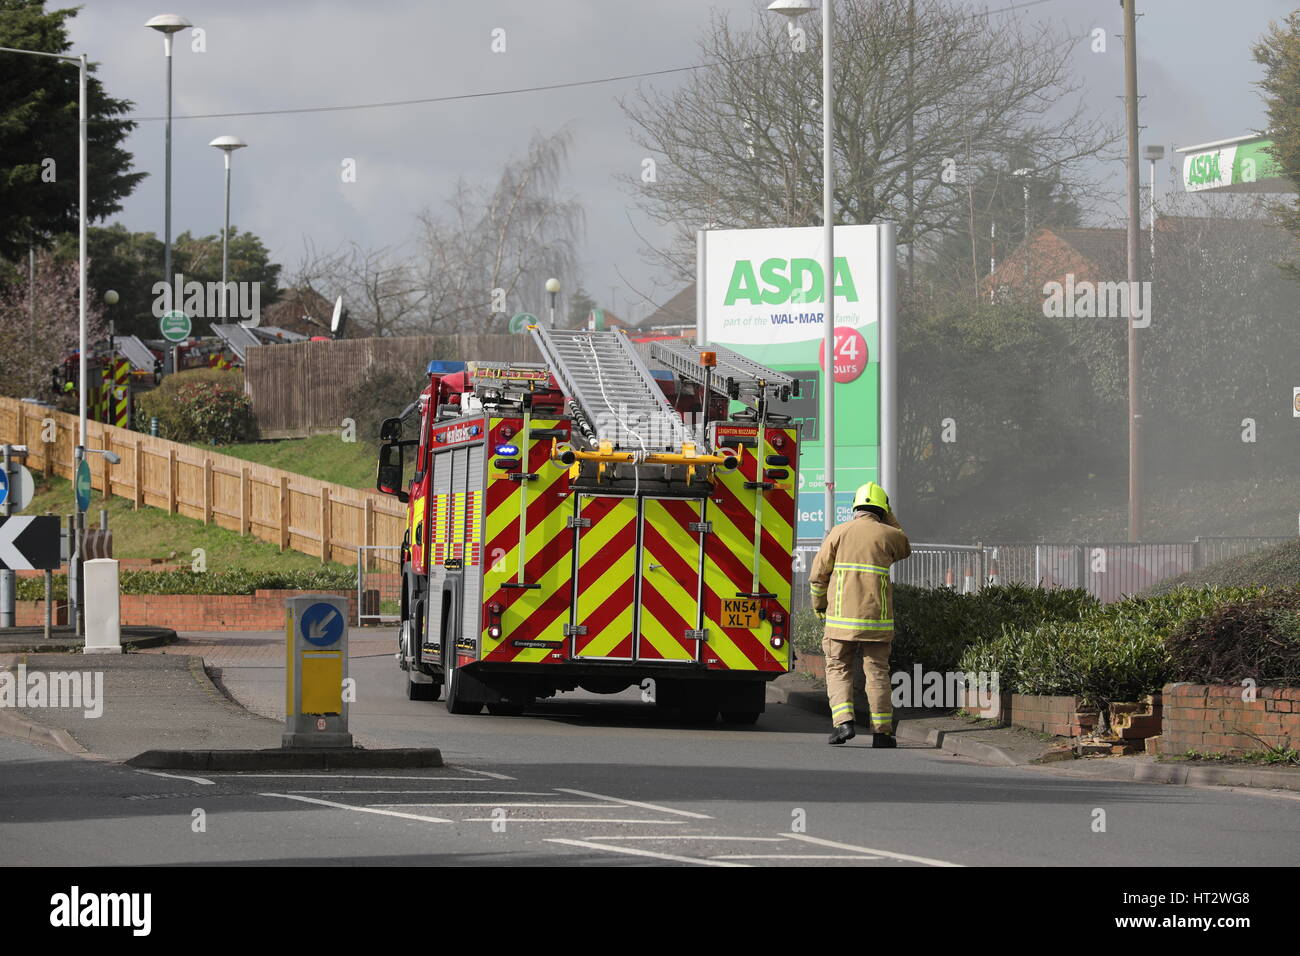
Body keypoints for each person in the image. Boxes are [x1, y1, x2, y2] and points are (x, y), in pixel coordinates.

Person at [809, 481, 911, 747]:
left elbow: (818, 575)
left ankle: (843, 724)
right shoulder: (889, 535)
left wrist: (819, 605)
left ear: (855, 506)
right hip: (877, 621)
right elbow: (905, 545)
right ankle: (882, 733)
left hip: (840, 621)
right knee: (877, 673)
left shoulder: (838, 532)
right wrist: (888, 516)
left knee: (838, 668)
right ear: (882, 508)